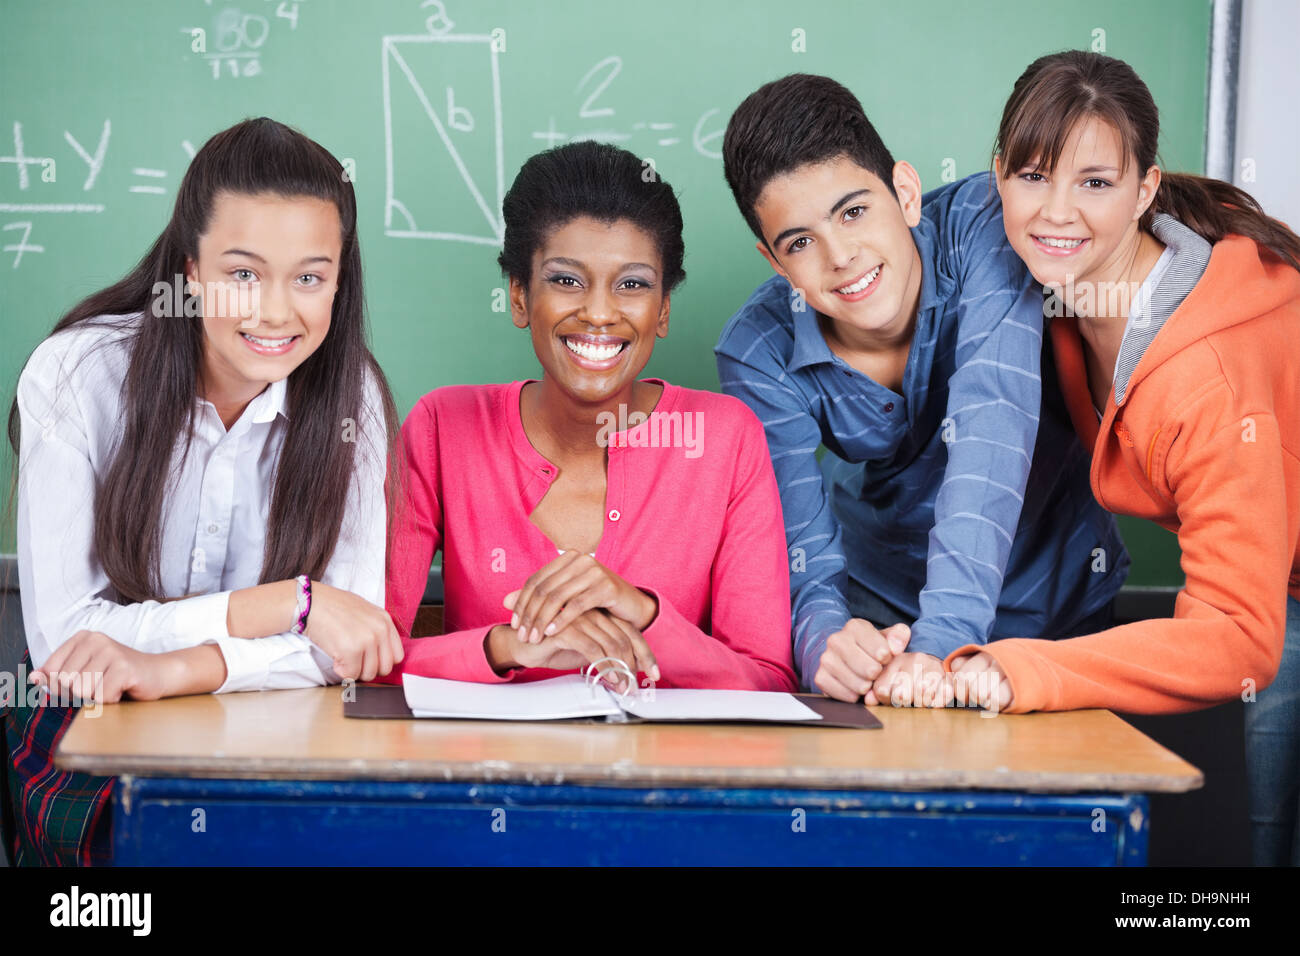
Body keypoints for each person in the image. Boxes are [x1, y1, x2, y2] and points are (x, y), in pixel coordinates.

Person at [3, 118, 403, 865]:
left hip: (270, 740)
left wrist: (173, 668)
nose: (276, 312)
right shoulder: (76, 376)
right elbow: (66, 646)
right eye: (242, 273)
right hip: (91, 735)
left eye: (310, 277)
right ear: (190, 271)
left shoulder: (355, 401)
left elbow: (346, 647)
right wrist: (288, 605)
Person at [948, 50, 1300, 865]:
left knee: (1256, 844)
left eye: (1096, 184)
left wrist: (1024, 673)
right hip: (1271, 574)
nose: (1056, 213)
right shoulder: (1055, 294)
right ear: (997, 177)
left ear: (1145, 191)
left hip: (1274, 602)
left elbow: (1239, 636)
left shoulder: (1209, 378)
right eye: (1032, 177)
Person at [715, 74, 1126, 704]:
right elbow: (797, 544)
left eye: (853, 212)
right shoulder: (756, 349)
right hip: (890, 624)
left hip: (1057, 607)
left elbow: (993, 424)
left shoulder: (984, 225)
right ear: (774, 262)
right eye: (800, 242)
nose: (841, 256)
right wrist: (824, 640)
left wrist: (945, 640)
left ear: (905, 193)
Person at [382, 141, 796, 692]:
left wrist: (641, 612)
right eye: (566, 280)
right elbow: (363, 656)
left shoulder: (724, 438)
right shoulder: (442, 427)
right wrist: (506, 647)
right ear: (520, 297)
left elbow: (769, 683)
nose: (599, 312)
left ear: (663, 310)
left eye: (633, 284)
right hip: (484, 774)